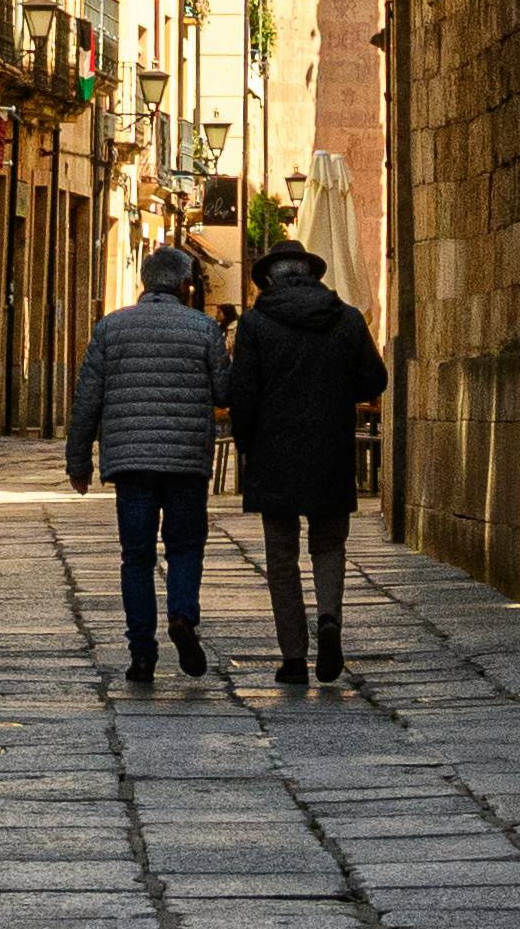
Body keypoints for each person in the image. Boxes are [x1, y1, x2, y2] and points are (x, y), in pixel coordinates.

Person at [66, 239, 234, 686]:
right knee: (184, 547)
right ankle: (182, 616)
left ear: (145, 282)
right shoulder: (204, 330)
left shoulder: (110, 329)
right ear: (184, 284)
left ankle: (142, 655)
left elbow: (87, 399)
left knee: (136, 558)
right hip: (185, 462)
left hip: (131, 463)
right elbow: (225, 393)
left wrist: (77, 460)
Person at [231, 233, 387, 689]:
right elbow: (374, 380)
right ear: (313, 276)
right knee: (329, 544)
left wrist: (246, 442)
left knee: (281, 557)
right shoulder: (347, 320)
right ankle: (330, 620)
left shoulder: (256, 324)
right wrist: (339, 389)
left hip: (274, 452)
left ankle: (294, 657)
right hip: (331, 449)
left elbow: (243, 392)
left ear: (269, 281)